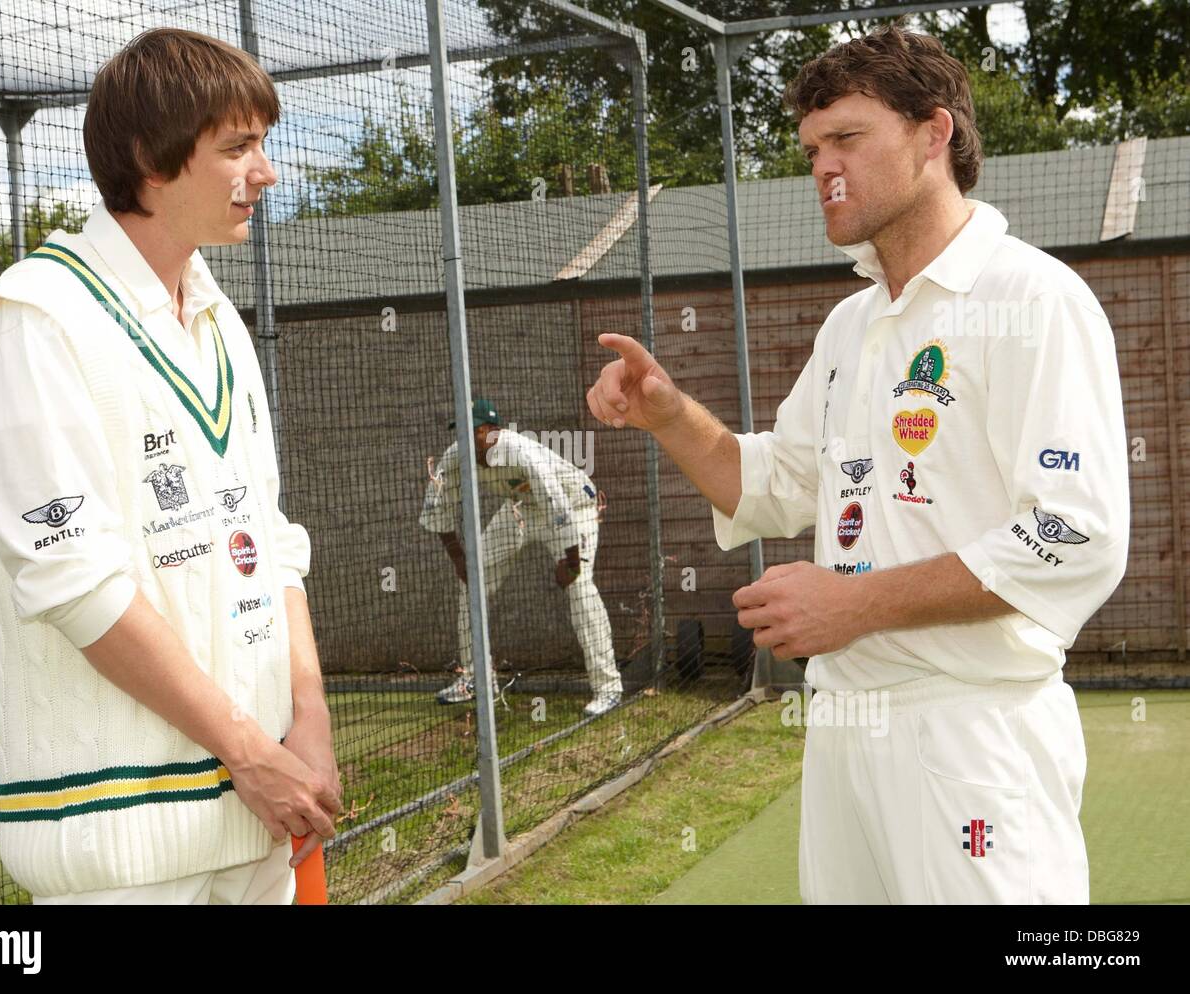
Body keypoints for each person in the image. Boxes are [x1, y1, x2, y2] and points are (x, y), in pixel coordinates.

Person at [586, 26, 1129, 904]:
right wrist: (667, 412)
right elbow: (771, 485)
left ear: (933, 134)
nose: (822, 168)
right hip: (844, 725)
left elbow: (1075, 537)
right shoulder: (852, 325)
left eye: (846, 138)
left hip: (970, 731)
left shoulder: (1032, 299)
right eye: (810, 149)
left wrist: (854, 604)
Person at [0, 27, 341, 904]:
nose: (267, 171)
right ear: (149, 158)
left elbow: (270, 545)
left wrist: (307, 722)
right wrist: (251, 753)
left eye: (263, 144)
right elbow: (73, 581)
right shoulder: (34, 318)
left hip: (257, 821)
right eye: (238, 147)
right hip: (119, 844)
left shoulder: (218, 320)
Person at [421, 399, 623, 716]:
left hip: (575, 507)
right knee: (472, 582)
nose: (462, 438)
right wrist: (460, 559)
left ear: (488, 431)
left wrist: (571, 562)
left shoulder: (520, 451)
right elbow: (438, 506)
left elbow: (557, 504)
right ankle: (476, 681)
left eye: (469, 430)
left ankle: (608, 689)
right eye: (458, 429)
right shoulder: (457, 455)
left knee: (581, 589)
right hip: (521, 509)